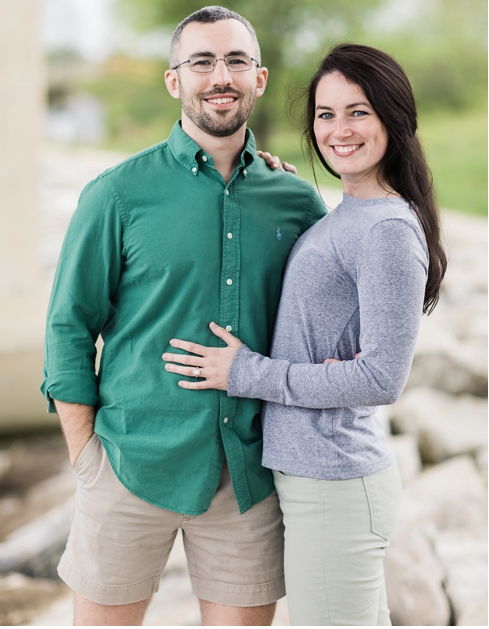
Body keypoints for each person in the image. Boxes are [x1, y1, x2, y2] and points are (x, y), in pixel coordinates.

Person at [41, 5, 329, 626]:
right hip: (126, 463)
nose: (219, 75)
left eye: (236, 61)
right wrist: (85, 457)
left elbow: (323, 319)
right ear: (175, 80)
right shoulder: (115, 195)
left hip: (248, 474)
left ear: (260, 78)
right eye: (201, 61)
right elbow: (68, 326)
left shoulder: (297, 199)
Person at [164, 43, 447, 625]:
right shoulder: (351, 212)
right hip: (318, 477)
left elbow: (381, 377)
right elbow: (329, 295)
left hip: (336, 481)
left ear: (394, 117)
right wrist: (280, 192)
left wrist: (247, 373)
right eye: (326, 114)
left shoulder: (389, 229)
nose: (339, 129)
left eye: (358, 111)